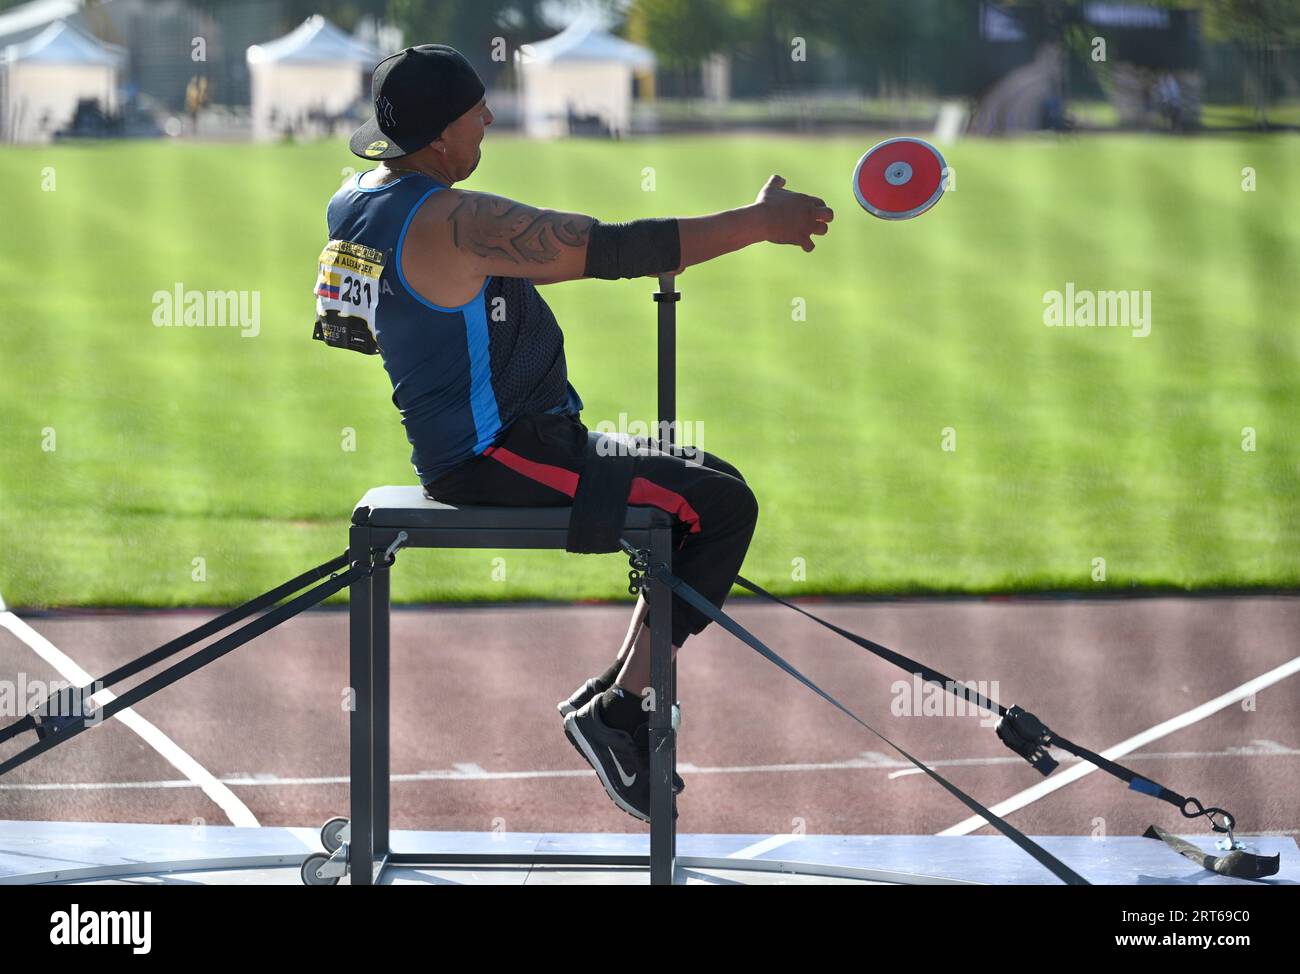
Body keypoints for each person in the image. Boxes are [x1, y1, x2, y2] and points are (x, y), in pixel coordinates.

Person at [316, 44, 833, 822]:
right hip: (499, 457)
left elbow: (345, 326)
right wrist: (759, 223)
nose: (490, 118)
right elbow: (619, 249)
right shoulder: (456, 220)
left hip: (506, 443)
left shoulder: (352, 201)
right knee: (720, 509)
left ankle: (612, 699)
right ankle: (622, 711)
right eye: (475, 111)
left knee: (711, 481)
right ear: (436, 133)